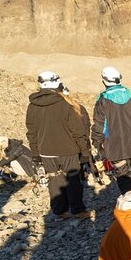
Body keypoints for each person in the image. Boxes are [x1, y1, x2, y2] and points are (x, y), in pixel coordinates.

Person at [26, 71, 93, 219]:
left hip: (45, 151)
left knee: (54, 180)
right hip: (67, 150)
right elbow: (78, 131)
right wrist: (85, 152)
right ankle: (78, 210)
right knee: (73, 180)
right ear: (57, 83)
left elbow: (31, 132)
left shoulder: (32, 105)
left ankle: (59, 211)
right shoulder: (65, 104)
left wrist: (36, 153)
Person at [91, 66, 131, 194]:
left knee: (124, 179)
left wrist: (99, 146)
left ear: (104, 81)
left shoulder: (102, 102)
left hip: (115, 148)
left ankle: (130, 206)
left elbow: (99, 127)